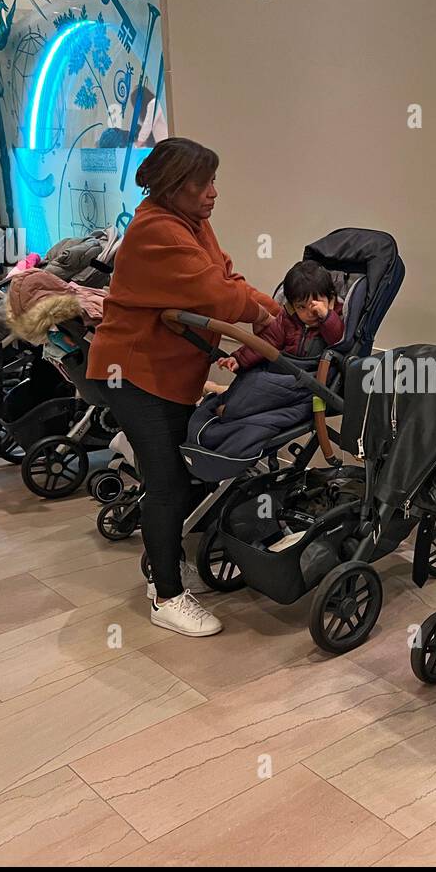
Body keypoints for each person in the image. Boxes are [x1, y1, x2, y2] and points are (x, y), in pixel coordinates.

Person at [86, 138, 280, 637]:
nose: (214, 192)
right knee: (168, 483)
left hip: (167, 374)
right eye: (204, 183)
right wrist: (262, 316)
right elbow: (214, 293)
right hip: (135, 373)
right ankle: (167, 597)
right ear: (175, 186)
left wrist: (280, 314)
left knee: (175, 474)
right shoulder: (155, 230)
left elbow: (227, 276)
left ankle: (163, 563)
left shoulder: (192, 223)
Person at [217, 259, 343, 376]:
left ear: (330, 299)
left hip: (313, 377)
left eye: (315, 304)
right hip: (285, 372)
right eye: (301, 307)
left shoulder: (339, 316)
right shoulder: (287, 319)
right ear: (293, 306)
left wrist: (327, 317)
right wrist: (239, 358)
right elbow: (267, 341)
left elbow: (339, 341)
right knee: (250, 382)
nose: (310, 312)